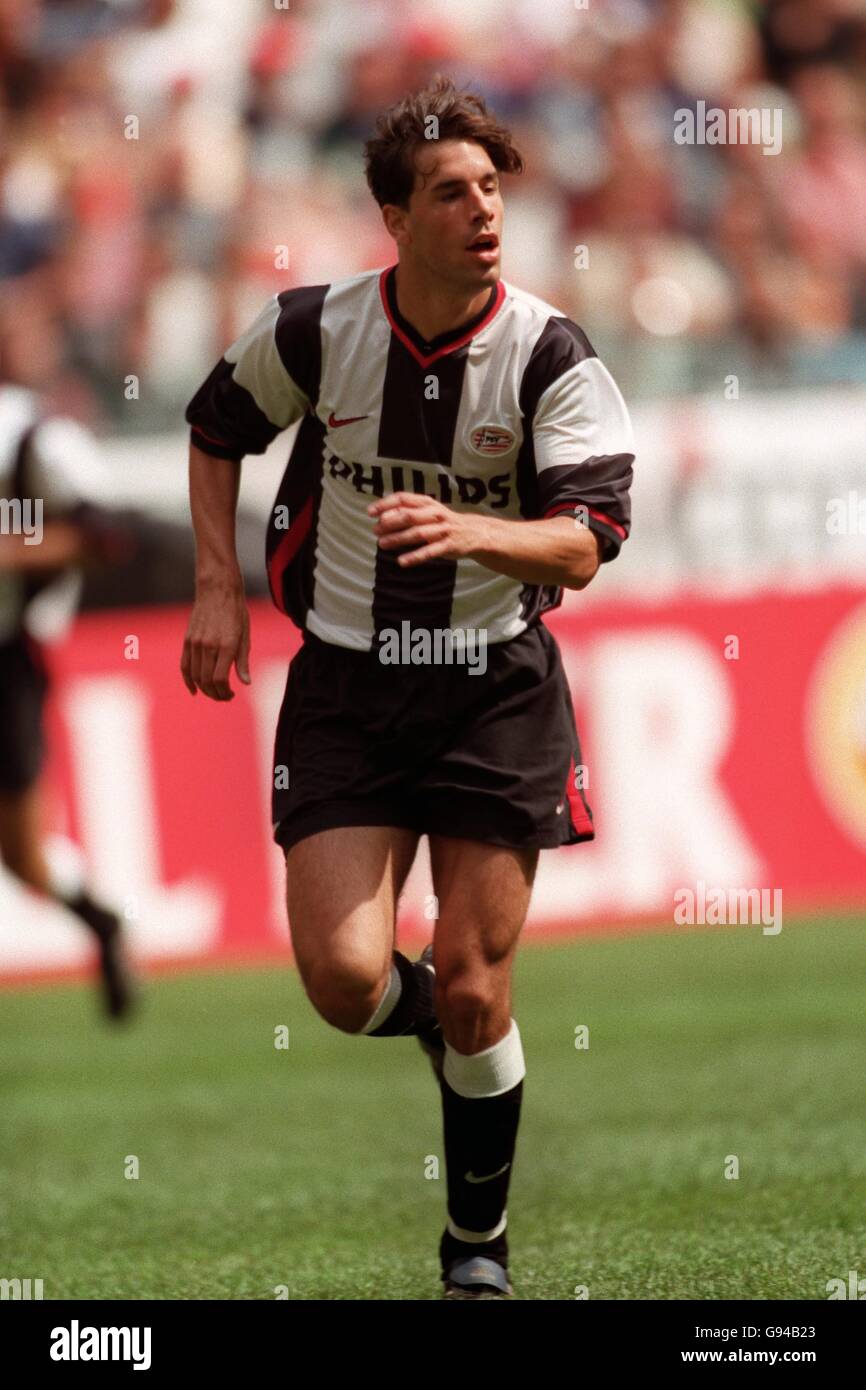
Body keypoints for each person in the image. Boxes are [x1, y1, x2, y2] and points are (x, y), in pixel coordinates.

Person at [181, 75, 634, 1299]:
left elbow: (588, 540)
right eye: (451, 192)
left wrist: (475, 534)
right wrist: (216, 582)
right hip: (346, 684)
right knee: (341, 982)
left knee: (484, 985)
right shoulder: (314, 331)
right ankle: (437, 1023)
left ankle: (473, 1249)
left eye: (492, 189)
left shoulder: (549, 352)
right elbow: (217, 423)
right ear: (395, 216)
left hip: (492, 687)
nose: (482, 211)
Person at [0, 380, 136, 1018]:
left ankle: (101, 923)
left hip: (7, 663)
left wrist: (10, 550)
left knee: (25, 855)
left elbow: (103, 534)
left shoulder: (29, 433)